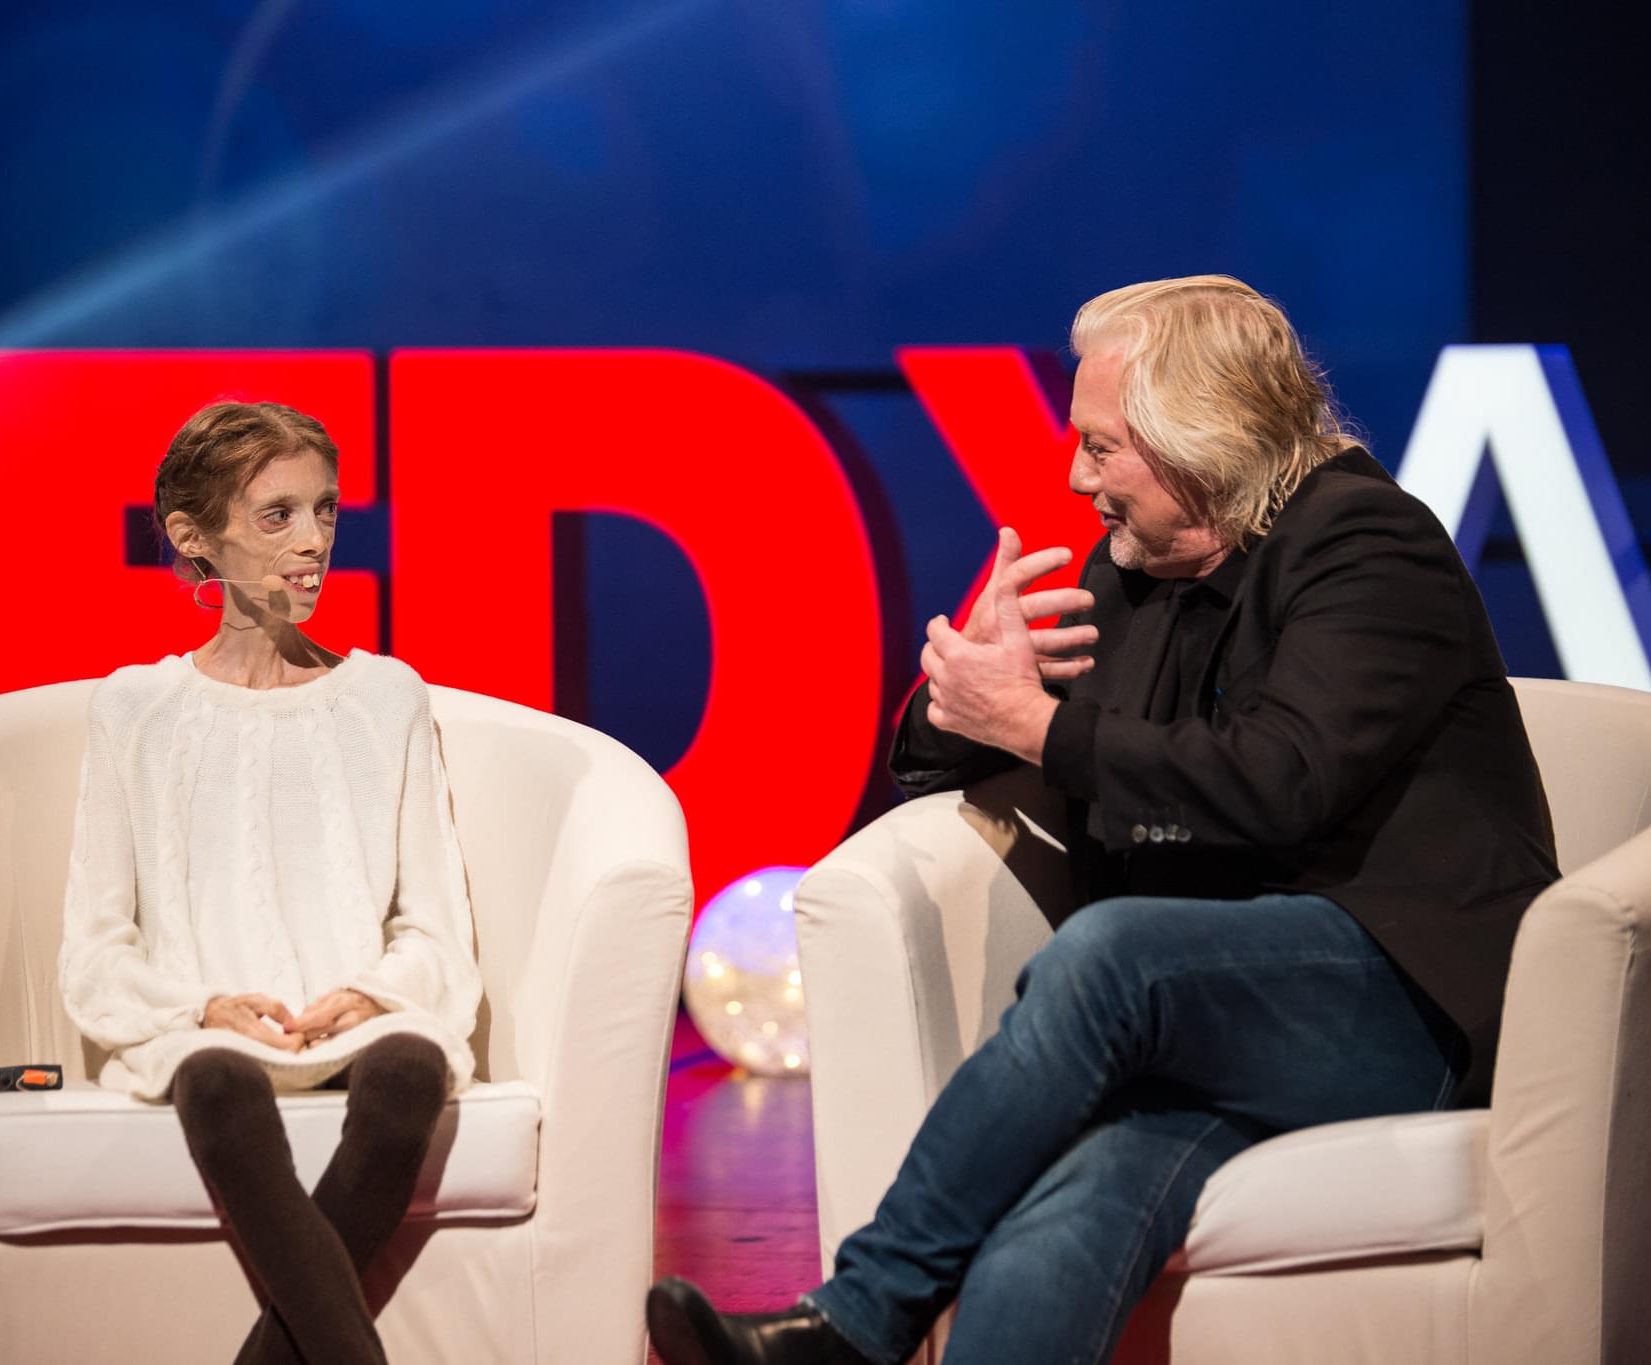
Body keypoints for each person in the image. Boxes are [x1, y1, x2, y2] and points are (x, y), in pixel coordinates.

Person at [646, 275, 1559, 1365]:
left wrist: (1033, 724)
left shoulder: (1364, 543)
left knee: (1114, 956)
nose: (1076, 477)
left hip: (1402, 1013)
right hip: (1218, 1019)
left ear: (1202, 441)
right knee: (1072, 1206)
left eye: (1101, 446)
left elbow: (1277, 779)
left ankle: (854, 1321)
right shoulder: (1140, 568)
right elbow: (1049, 750)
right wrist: (965, 701)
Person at [58, 400, 482, 1365]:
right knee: (217, 1081)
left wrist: (369, 994)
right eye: (276, 516)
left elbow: (435, 922)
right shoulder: (137, 709)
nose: (314, 544)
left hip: (356, 1017)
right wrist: (202, 1005)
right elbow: (94, 946)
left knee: (412, 1066)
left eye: (327, 512)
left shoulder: (386, 695)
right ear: (192, 537)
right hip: (206, 1032)